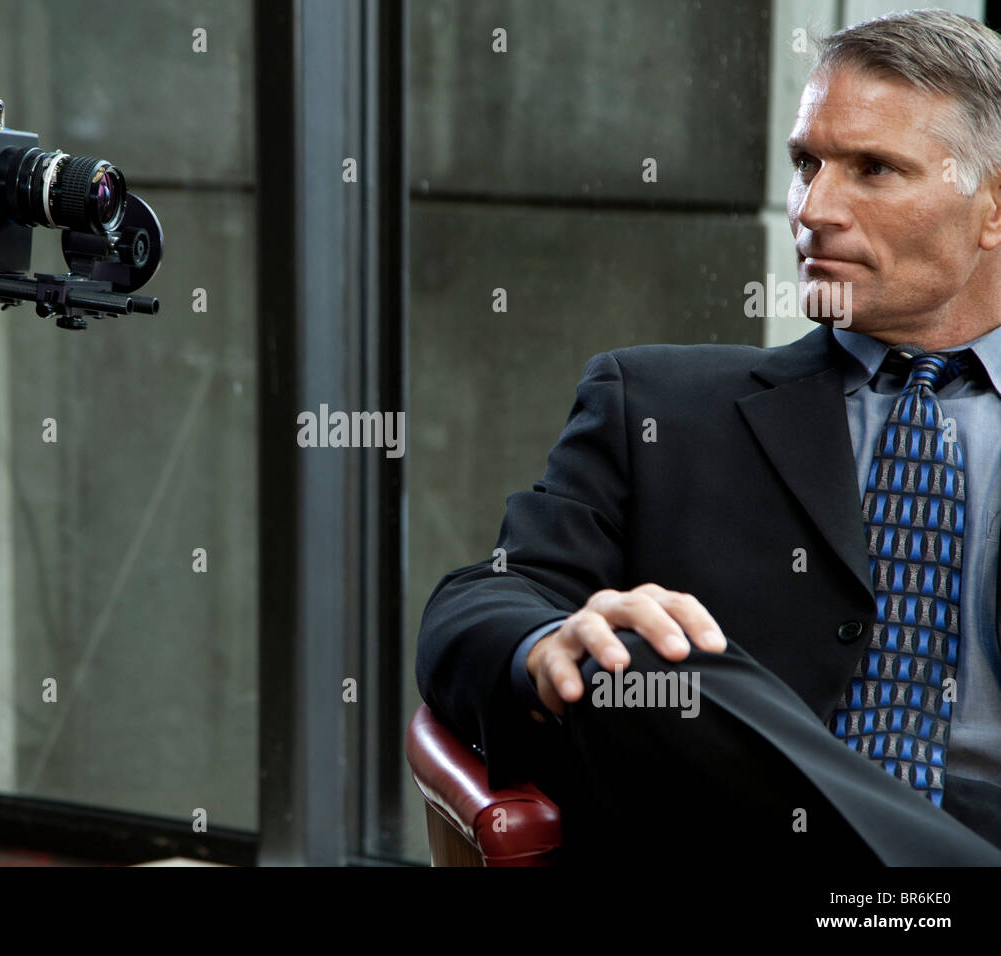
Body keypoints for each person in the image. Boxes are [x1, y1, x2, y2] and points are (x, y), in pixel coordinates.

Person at [416, 9, 1001, 865]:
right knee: (651, 660)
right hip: (747, 840)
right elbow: (478, 603)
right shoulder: (657, 405)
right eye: (806, 164)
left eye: (874, 169)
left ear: (993, 208)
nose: (814, 209)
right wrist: (549, 642)